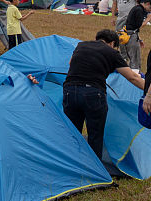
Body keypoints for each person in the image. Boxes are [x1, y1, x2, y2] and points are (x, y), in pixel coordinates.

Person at [62, 29, 148, 160]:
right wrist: (149, 90)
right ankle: (95, 173)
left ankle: (72, 167)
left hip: (69, 91)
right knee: (95, 135)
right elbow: (133, 78)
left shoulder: (81, 45)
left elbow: (70, 63)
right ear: (112, 43)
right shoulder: (112, 53)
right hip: (93, 94)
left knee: (72, 134)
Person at [112, 0, 140, 70]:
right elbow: (114, 4)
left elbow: (138, 3)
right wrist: (113, 17)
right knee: (120, 39)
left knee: (132, 39)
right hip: (120, 18)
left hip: (131, 19)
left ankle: (134, 63)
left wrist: (138, 17)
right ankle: (123, 58)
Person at [121, 0, 149, 72]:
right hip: (131, 36)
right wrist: (148, 19)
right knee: (135, 59)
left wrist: (139, 39)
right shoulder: (139, 10)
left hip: (131, 34)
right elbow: (139, 25)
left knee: (133, 57)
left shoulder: (137, 8)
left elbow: (134, 27)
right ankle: (135, 75)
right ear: (148, 4)